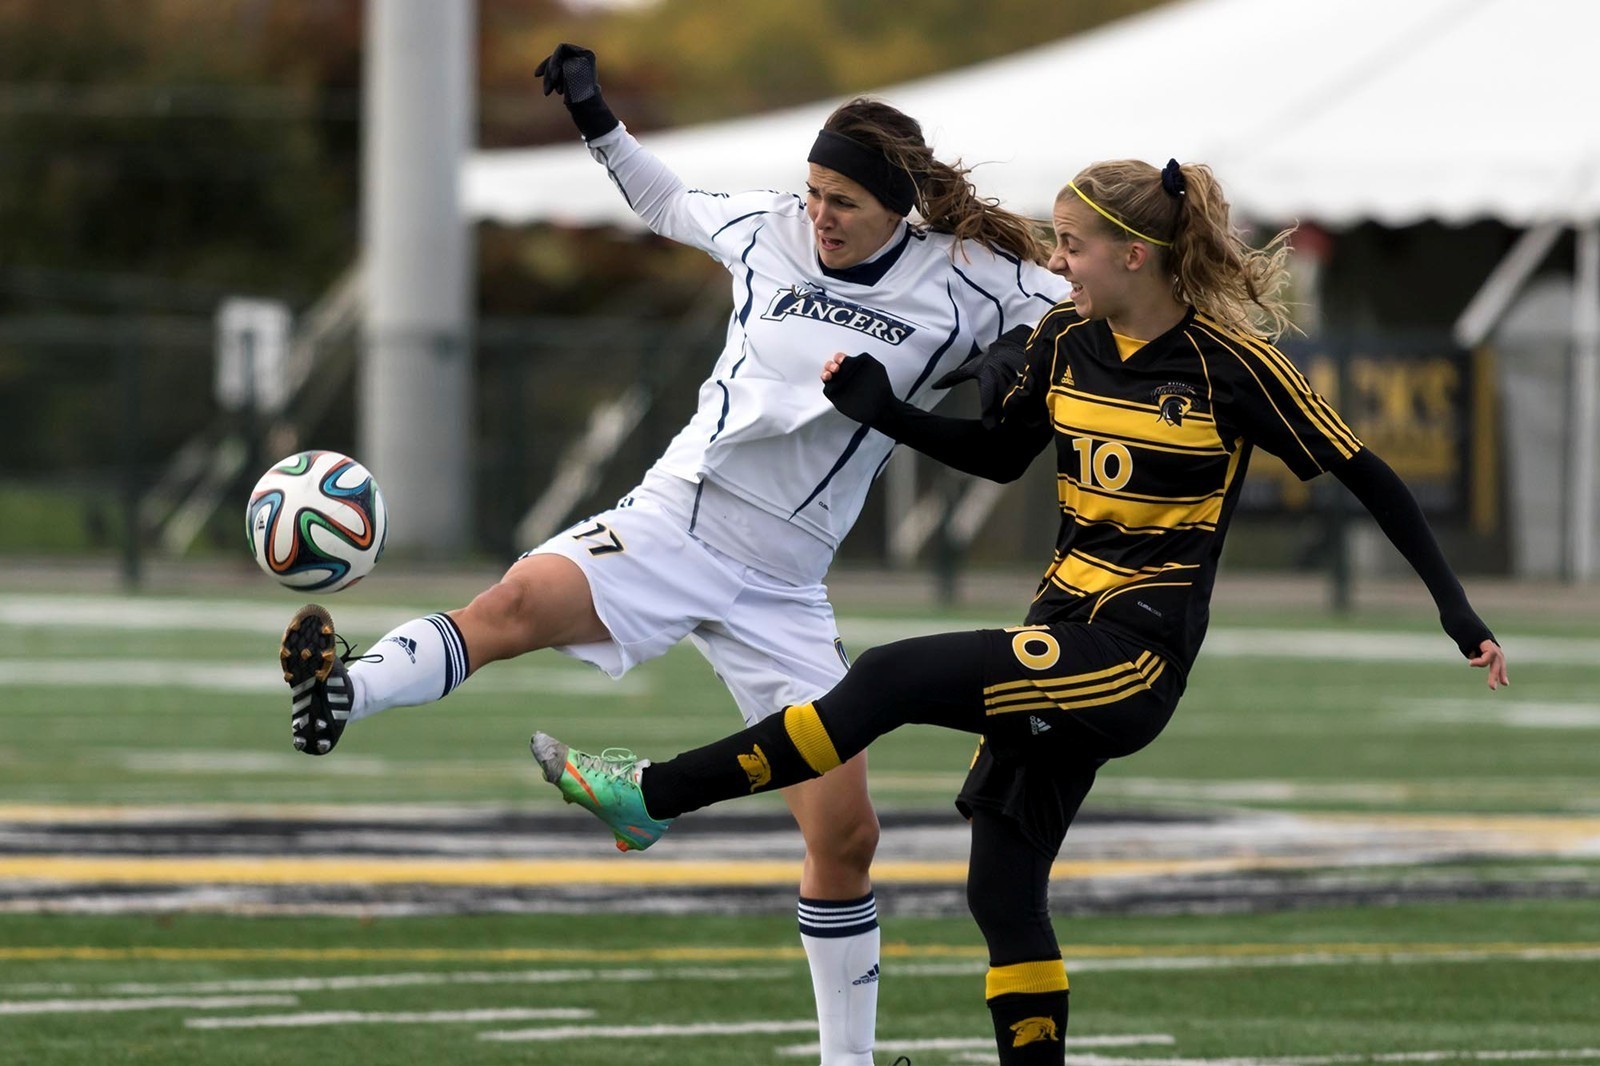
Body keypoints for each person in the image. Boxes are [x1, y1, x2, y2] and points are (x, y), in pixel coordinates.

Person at [528, 156, 1510, 1065]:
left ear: (1135, 255)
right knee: (1001, 890)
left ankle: (653, 794)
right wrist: (889, 413)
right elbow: (1000, 454)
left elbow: (1370, 476)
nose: (1057, 262)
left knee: (888, 677)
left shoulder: (1232, 367)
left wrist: (1455, 611)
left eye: (1071, 246)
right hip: (1060, 630)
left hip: (1130, 657)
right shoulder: (1065, 339)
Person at [278, 42, 1067, 1066]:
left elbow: (1077, 302)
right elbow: (663, 200)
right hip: (675, 522)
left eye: (843, 202)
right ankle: (343, 694)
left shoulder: (968, 279)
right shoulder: (769, 230)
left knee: (845, 836)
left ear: (899, 206)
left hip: (785, 585)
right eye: (814, 191)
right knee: (514, 604)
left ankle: (848, 1061)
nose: (820, 214)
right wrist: (595, 118)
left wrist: (1021, 355)